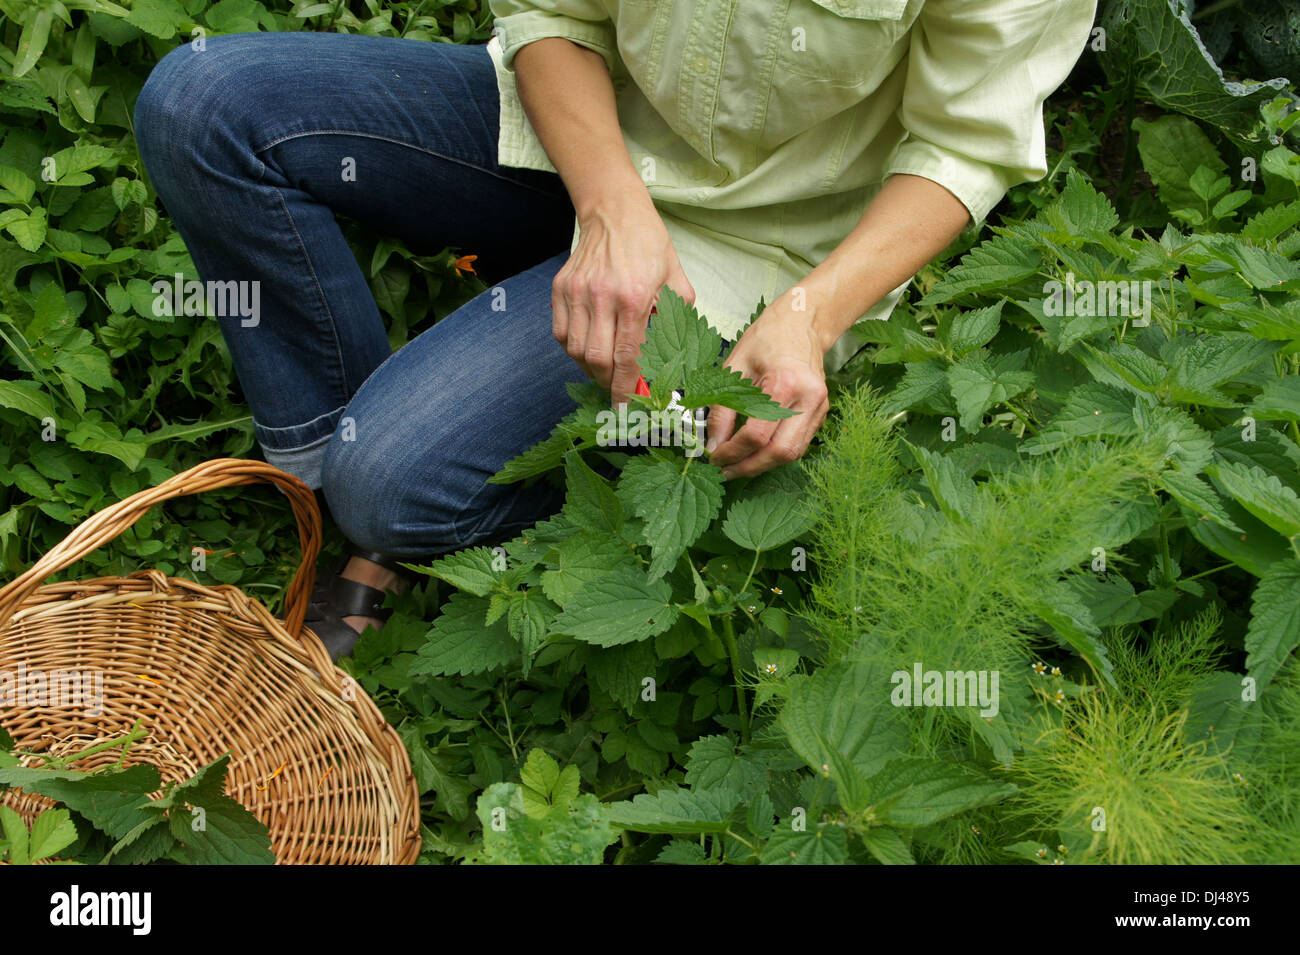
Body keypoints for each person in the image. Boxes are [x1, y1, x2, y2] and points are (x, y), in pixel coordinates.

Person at [133, 0, 1098, 658]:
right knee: (203, 101)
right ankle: (310, 484)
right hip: (581, 128)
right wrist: (609, 208)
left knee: (388, 486)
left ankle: (376, 489)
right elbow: (555, 16)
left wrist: (810, 316)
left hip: (763, 235)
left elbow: (966, 145)